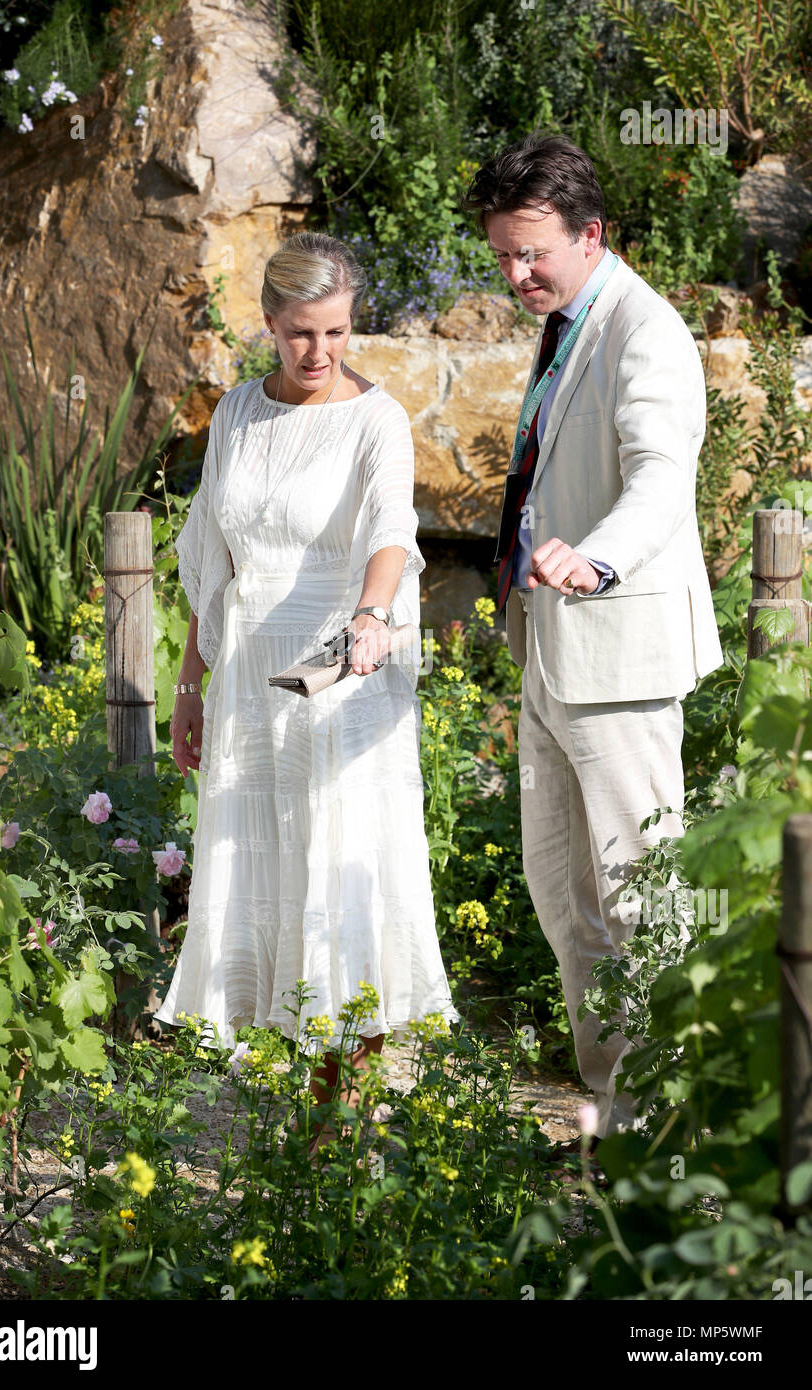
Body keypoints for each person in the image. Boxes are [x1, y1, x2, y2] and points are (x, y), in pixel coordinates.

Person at [154, 231, 459, 1153]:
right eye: (299, 334)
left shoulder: (379, 419)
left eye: (335, 331)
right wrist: (190, 685)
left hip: (343, 673)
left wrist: (371, 618)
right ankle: (294, 1103)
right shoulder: (238, 416)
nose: (320, 352)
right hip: (251, 672)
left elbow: (392, 529)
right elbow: (215, 560)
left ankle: (348, 1113)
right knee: (267, 867)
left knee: (343, 870)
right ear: (269, 325)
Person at [461, 132, 723, 1153]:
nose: (515, 274)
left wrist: (596, 559)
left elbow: (662, 473)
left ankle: (676, 1136)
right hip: (549, 654)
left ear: (590, 233)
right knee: (559, 891)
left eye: (531, 253)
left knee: (638, 896)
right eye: (500, 257)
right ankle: (614, 1111)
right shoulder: (568, 318)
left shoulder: (643, 332)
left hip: (614, 658)